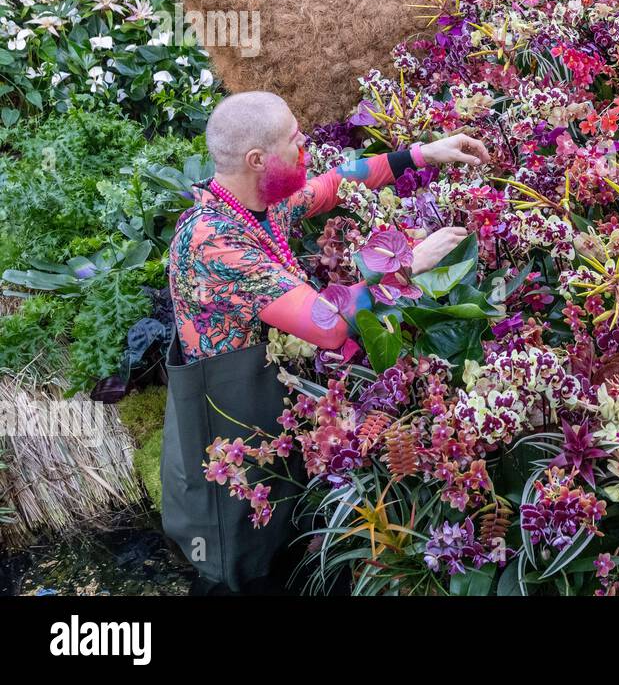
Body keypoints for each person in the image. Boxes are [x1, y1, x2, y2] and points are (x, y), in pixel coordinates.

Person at [162, 91, 486, 593]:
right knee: (240, 567)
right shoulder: (214, 242)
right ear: (257, 160)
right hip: (228, 443)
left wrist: (424, 153)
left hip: (270, 420)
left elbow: (336, 183)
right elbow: (327, 322)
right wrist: (409, 264)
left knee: (285, 548)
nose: (305, 146)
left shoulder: (259, 204)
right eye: (294, 140)